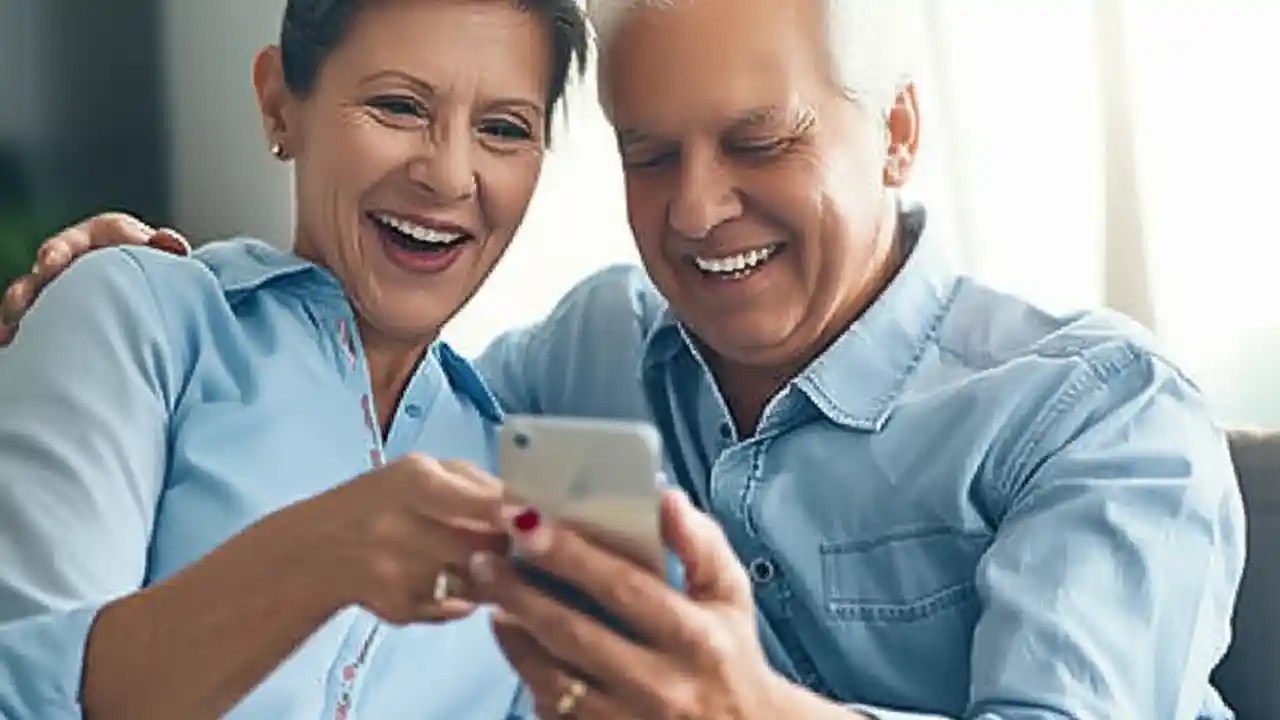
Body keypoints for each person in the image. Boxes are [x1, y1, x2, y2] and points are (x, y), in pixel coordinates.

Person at [1, 0, 1247, 718]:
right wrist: (122, 283)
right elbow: (364, 399)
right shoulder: (558, 376)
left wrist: (742, 707)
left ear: (898, 132)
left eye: (759, 141)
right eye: (648, 155)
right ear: (279, 101)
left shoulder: (1097, 413)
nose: (696, 212)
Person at [0, 0, 588, 718]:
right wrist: (319, 558)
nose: (449, 176)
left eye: (504, 129)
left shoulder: (522, 477)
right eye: (398, 107)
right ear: (280, 104)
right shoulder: (141, 319)